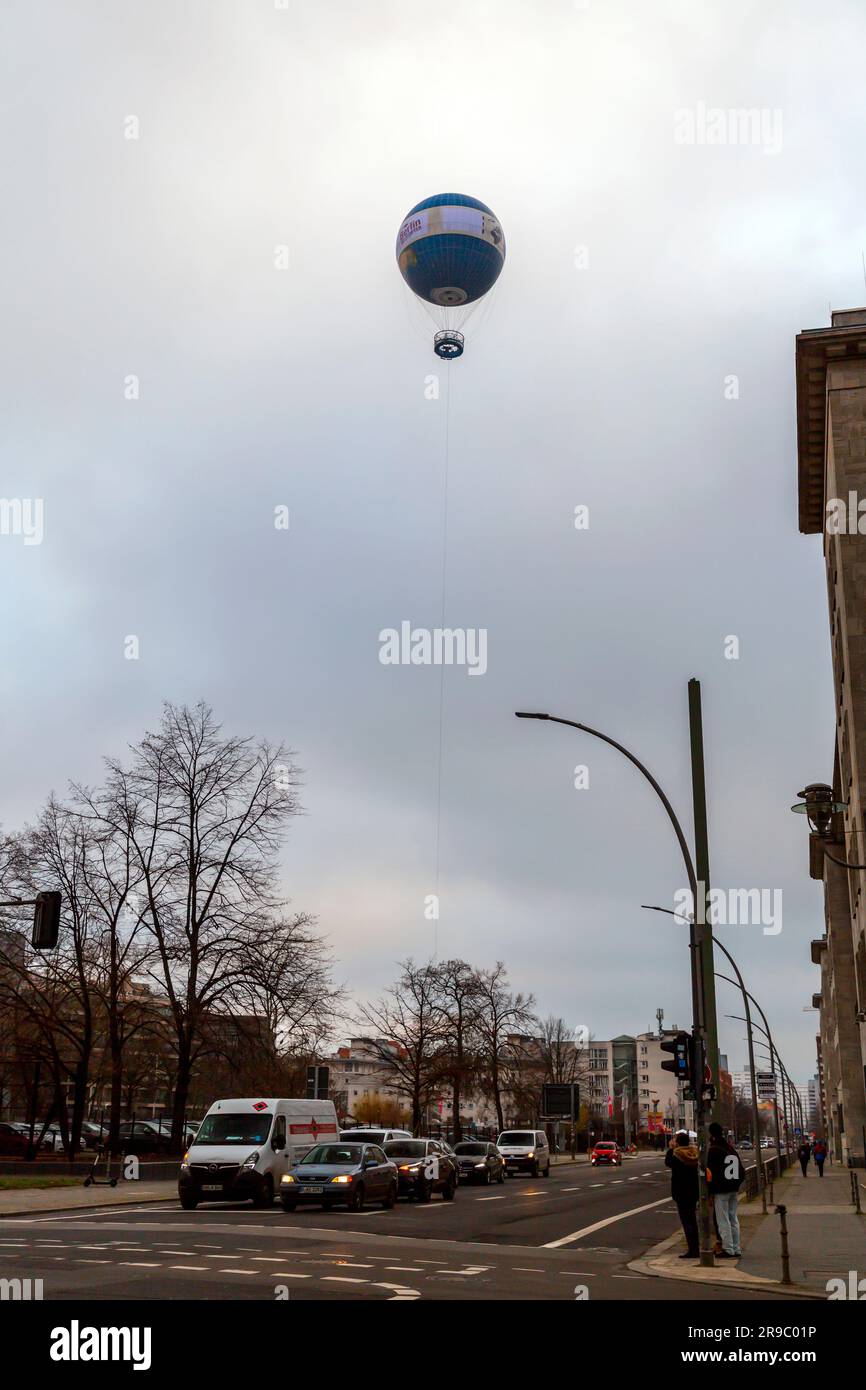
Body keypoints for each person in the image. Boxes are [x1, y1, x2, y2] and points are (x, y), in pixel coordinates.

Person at [706, 1122, 744, 1257]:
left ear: (711, 1134)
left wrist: (710, 1192)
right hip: (733, 1188)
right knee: (733, 1218)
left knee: (723, 1220)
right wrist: (737, 1184)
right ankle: (736, 1247)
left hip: (721, 1189)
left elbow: (710, 1173)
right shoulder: (730, 1148)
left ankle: (728, 1249)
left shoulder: (714, 1150)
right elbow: (742, 1171)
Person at [665, 1130, 700, 1258]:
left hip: (681, 1192)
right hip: (693, 1191)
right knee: (693, 1220)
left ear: (678, 1143)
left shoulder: (677, 1155)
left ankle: (693, 1249)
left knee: (686, 1221)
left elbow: (668, 1162)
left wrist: (671, 1149)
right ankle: (696, 1246)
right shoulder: (694, 1153)